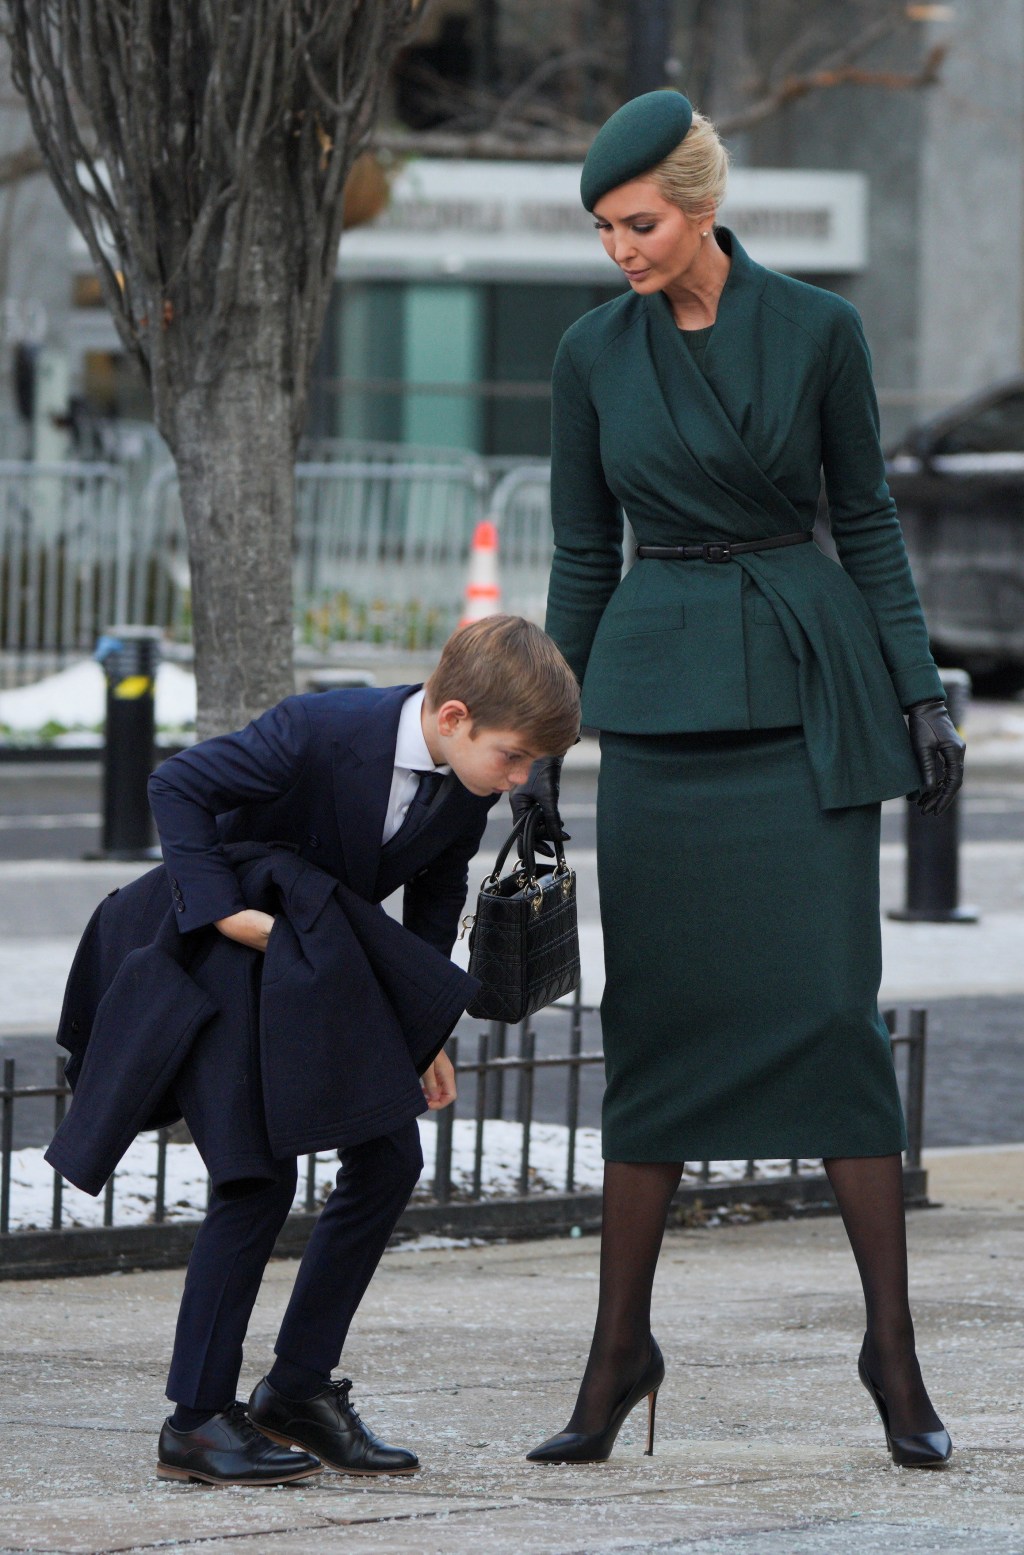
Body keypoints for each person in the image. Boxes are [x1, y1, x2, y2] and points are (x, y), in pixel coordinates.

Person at [515, 91, 964, 1469]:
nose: (620, 251)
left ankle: (892, 1354)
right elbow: (585, 554)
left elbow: (869, 518)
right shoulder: (592, 355)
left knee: (830, 1013)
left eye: (638, 223)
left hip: (803, 697)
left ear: (701, 205)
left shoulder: (821, 330)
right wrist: (542, 733)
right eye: (603, 230)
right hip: (655, 711)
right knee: (656, 1018)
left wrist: (917, 681)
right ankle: (615, 1356)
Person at [47, 615, 580, 1486]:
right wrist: (227, 912)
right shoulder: (319, 730)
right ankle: (195, 1421)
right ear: (453, 716)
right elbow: (176, 784)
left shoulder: (466, 783)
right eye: (515, 757)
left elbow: (436, 899)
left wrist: (420, 1033)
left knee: (389, 1152)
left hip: (309, 959)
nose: (520, 779)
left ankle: (295, 1392)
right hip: (213, 945)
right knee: (256, 1174)